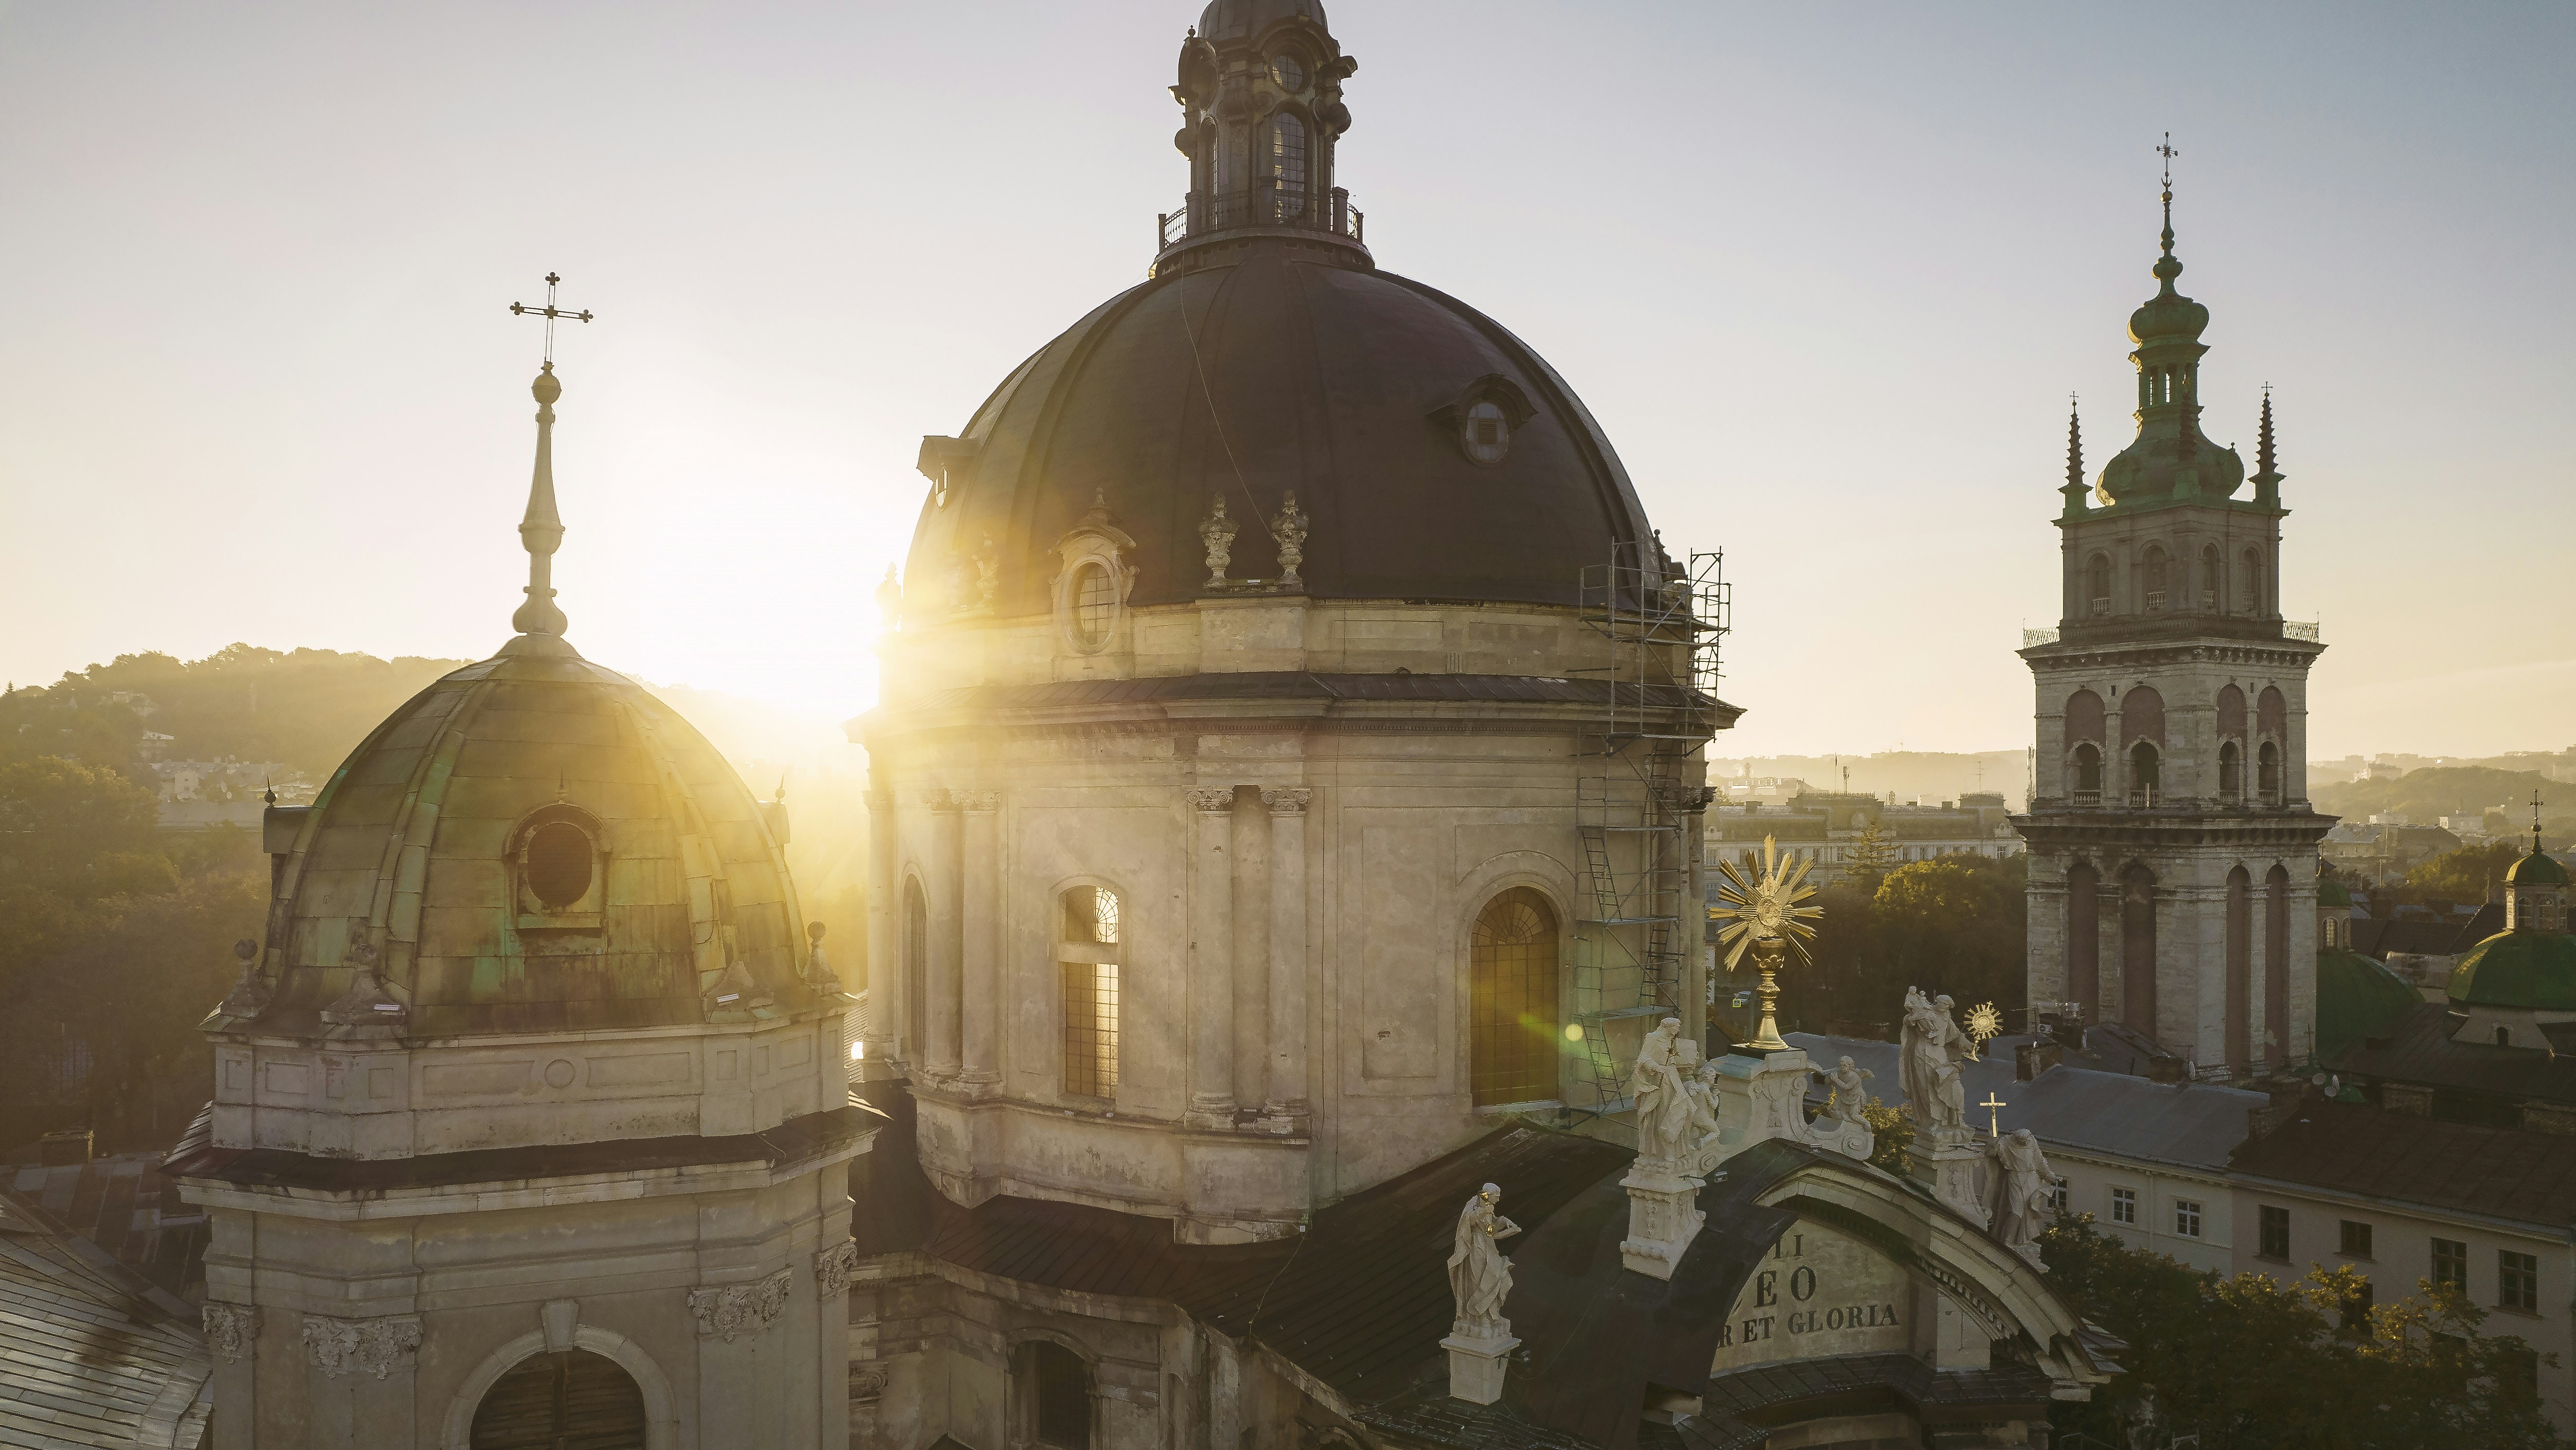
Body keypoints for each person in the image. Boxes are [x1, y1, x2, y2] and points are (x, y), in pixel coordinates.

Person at [1446, 1182, 1522, 1339]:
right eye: (1497, 1195)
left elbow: (1491, 1231)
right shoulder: (1474, 1205)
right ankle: (1480, 1317)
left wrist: (1504, 1222)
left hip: (1489, 1249)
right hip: (1476, 1250)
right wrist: (1482, 1212)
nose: (1499, 1199)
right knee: (1480, 1282)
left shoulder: (1487, 1207)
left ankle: (1492, 1314)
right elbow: (1468, 1220)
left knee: (1502, 1279)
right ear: (1489, 1194)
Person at [1985, 1129, 2065, 1260]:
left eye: (2027, 1139)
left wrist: (2050, 1175)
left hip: (2031, 1179)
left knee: (2028, 1210)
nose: (2025, 1142)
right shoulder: (2006, 1142)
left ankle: (2020, 1241)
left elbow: (2039, 1161)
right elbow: (1992, 1152)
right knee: (2015, 1210)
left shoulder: (2032, 1142)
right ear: (2016, 1138)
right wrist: (1993, 1140)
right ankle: (2007, 1241)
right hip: (2015, 1177)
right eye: (2022, 1140)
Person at [1630, 1018, 1698, 1163]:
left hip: (1672, 1076)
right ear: (1668, 1027)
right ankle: (1665, 1150)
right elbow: (1643, 1058)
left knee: (1686, 1108)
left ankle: (1682, 1145)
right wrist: (1655, 1067)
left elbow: (1676, 1058)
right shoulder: (1652, 1038)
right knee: (1663, 1114)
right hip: (1659, 1079)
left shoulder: (1673, 1040)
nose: (1678, 1030)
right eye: (1677, 1027)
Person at [1809, 1056, 1875, 1127]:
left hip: (1855, 1098)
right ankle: (1845, 1123)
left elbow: (1846, 1087)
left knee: (1854, 1116)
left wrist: (1836, 1080)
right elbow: (1829, 1081)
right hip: (1845, 1096)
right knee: (1833, 1110)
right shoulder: (1840, 1073)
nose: (1841, 1069)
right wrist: (1828, 1078)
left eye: (1843, 1067)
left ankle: (1865, 1125)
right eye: (1840, 1066)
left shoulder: (1854, 1077)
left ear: (1849, 1066)